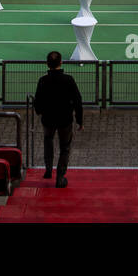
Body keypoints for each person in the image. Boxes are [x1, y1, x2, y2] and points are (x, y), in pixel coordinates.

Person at [33, 50, 84, 187]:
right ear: (61, 63)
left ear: (47, 64)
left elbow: (38, 101)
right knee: (65, 147)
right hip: (65, 120)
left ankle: (48, 169)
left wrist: (40, 112)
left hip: (48, 119)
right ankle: (60, 176)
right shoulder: (68, 80)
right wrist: (79, 120)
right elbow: (78, 100)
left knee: (48, 142)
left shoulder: (43, 80)